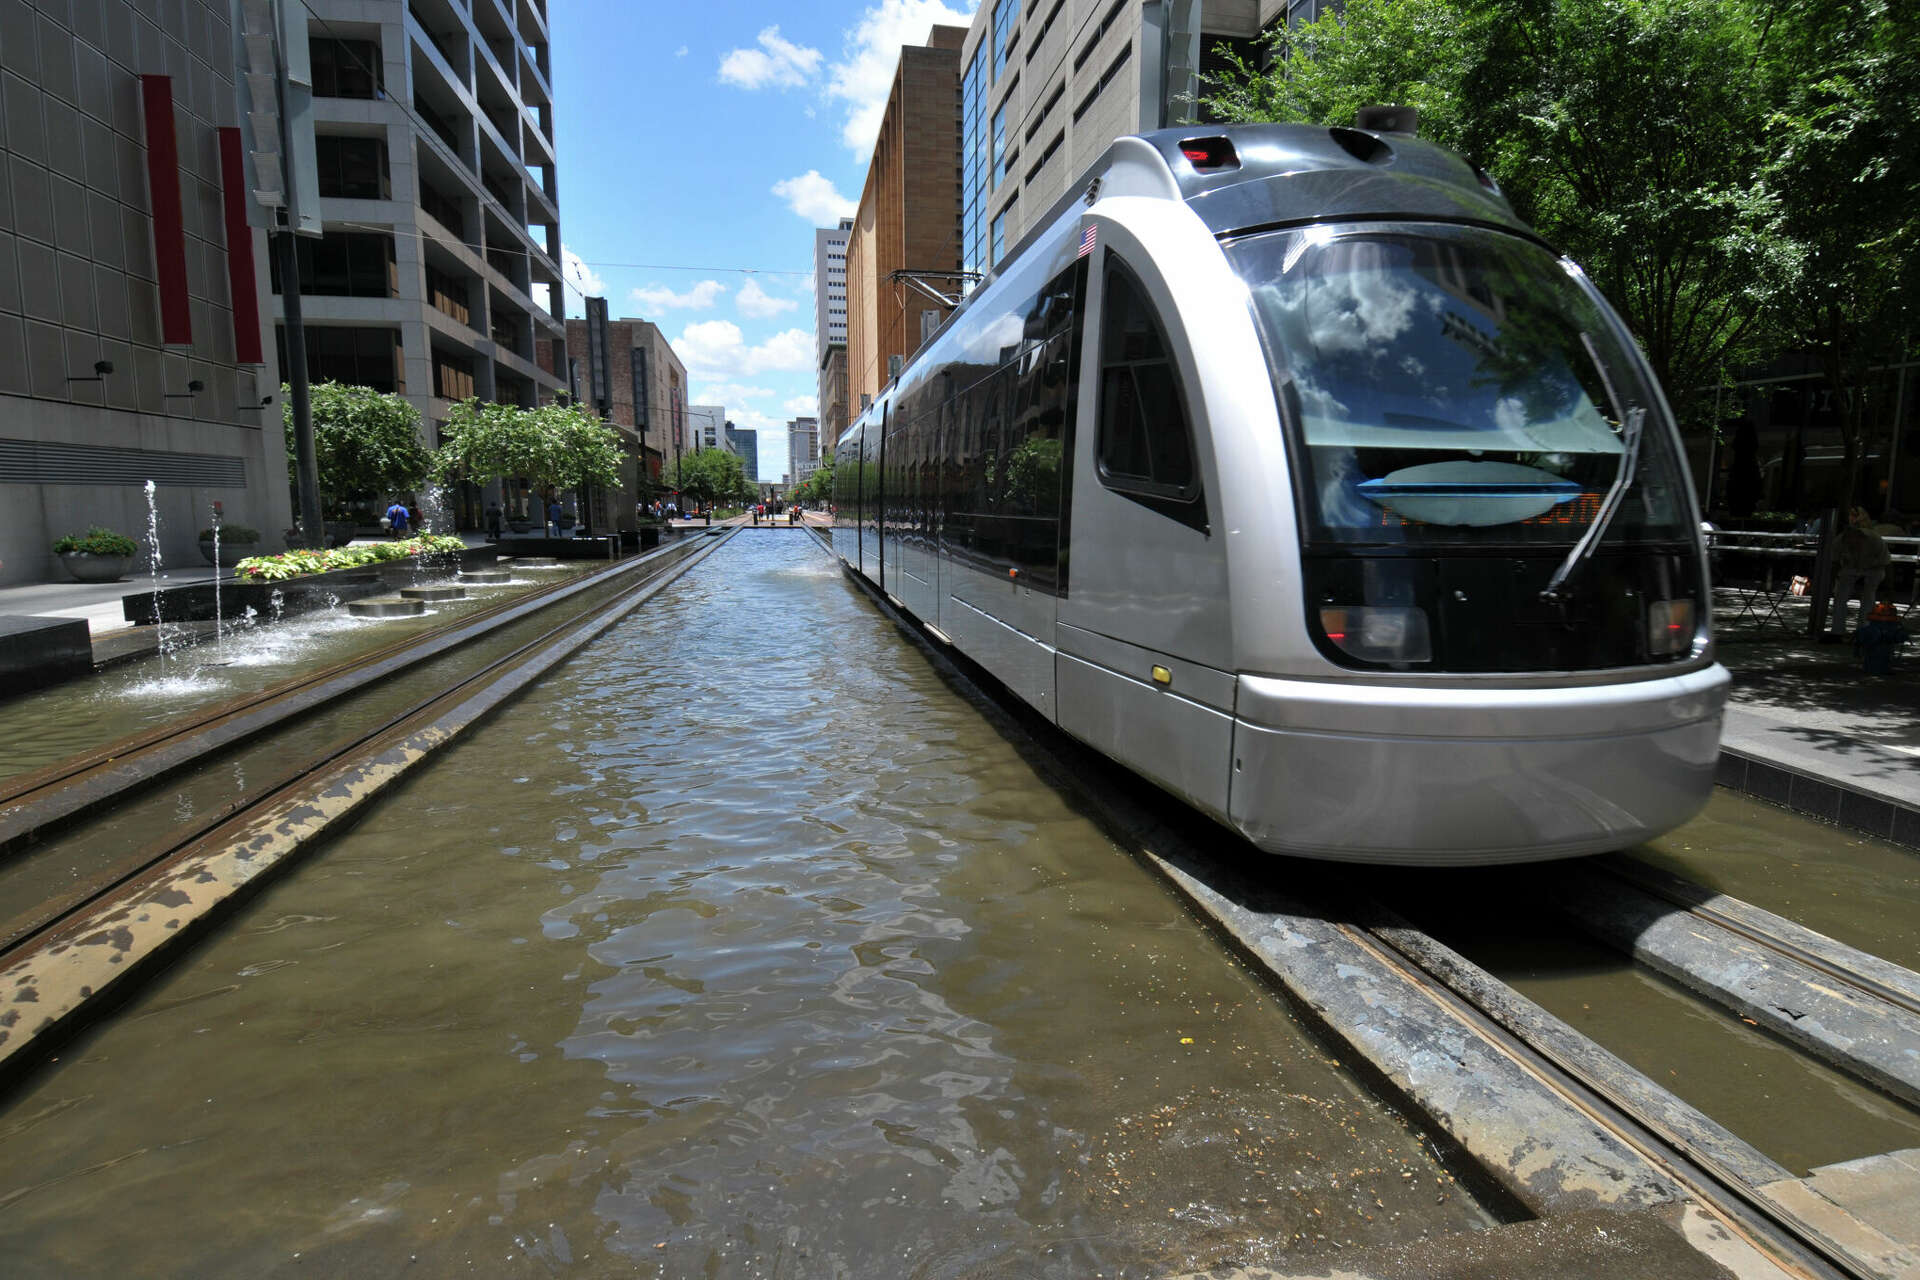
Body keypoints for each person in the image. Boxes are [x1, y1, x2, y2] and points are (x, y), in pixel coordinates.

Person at [1826, 507, 1891, 641]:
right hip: (1851, 567)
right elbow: (1835, 562)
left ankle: (1864, 630)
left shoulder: (1874, 539)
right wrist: (1831, 582)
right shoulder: (1840, 541)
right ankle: (1837, 631)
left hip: (1874, 568)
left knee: (1868, 596)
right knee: (1840, 596)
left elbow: (1886, 563)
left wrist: (1889, 589)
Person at [1854, 601, 1908, 676]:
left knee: (1878, 652)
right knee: (1885, 651)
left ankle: (1873, 668)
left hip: (1875, 643)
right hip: (1880, 641)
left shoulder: (1870, 629)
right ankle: (1883, 668)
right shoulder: (1883, 629)